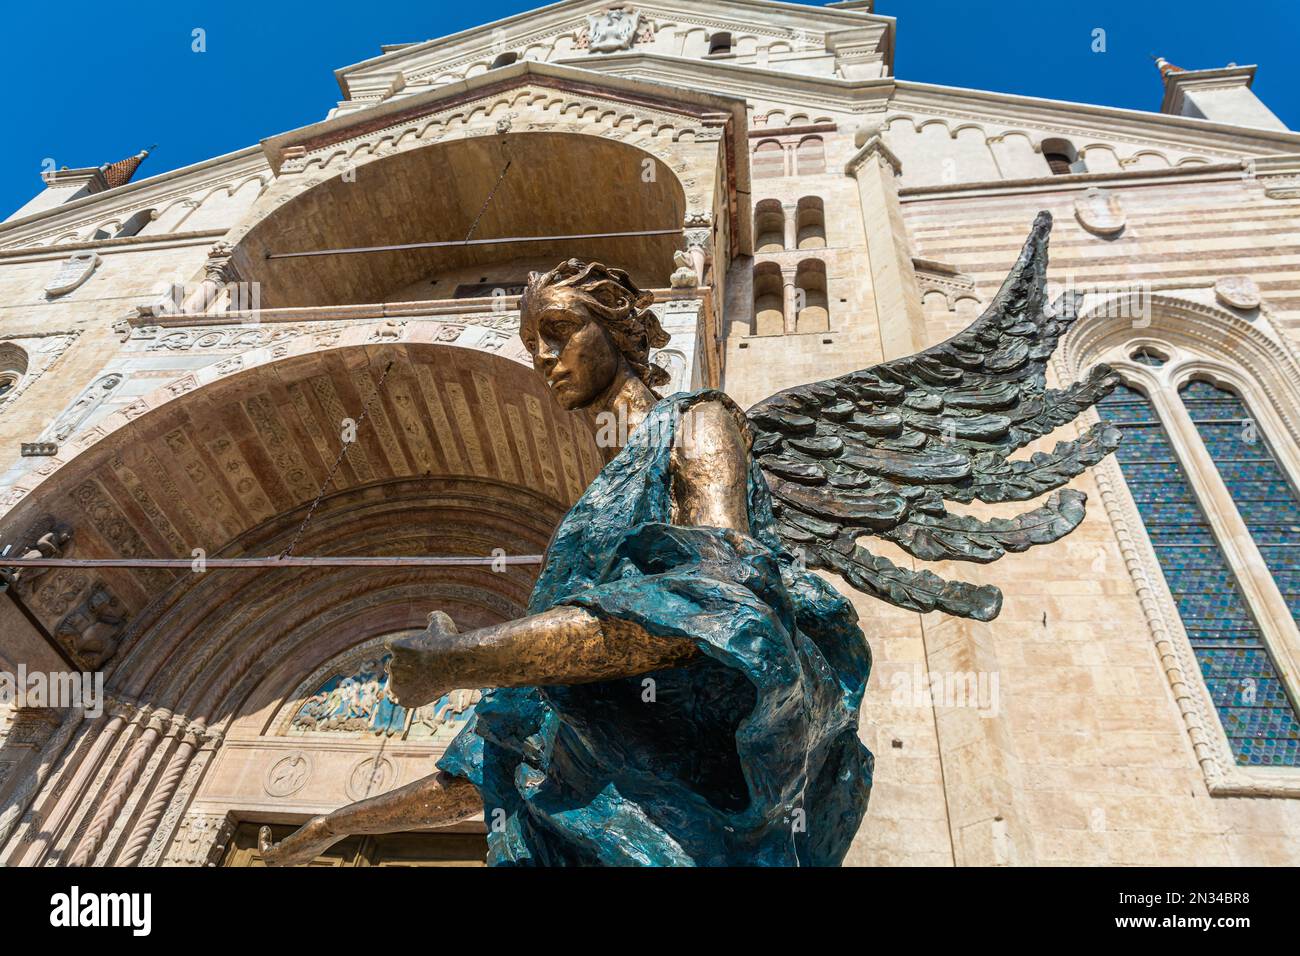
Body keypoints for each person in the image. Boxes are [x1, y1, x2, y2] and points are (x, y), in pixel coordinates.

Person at [260, 259, 872, 866]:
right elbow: (499, 756)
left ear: (619, 331)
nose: (544, 355)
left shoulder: (697, 425)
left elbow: (721, 605)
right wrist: (331, 826)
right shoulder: (605, 496)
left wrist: (465, 658)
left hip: (700, 833)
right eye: (531, 343)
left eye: (560, 329)